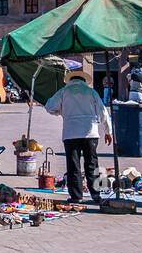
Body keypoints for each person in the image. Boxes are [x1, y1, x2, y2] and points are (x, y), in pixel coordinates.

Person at [43, 74, 113, 205]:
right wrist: (108, 132)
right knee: (92, 165)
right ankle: (96, 195)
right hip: (90, 133)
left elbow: (49, 107)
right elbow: (103, 112)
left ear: (70, 81)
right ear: (84, 81)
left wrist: (61, 111)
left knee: (73, 165)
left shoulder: (63, 92)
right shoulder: (91, 92)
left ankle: (76, 196)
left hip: (71, 134)